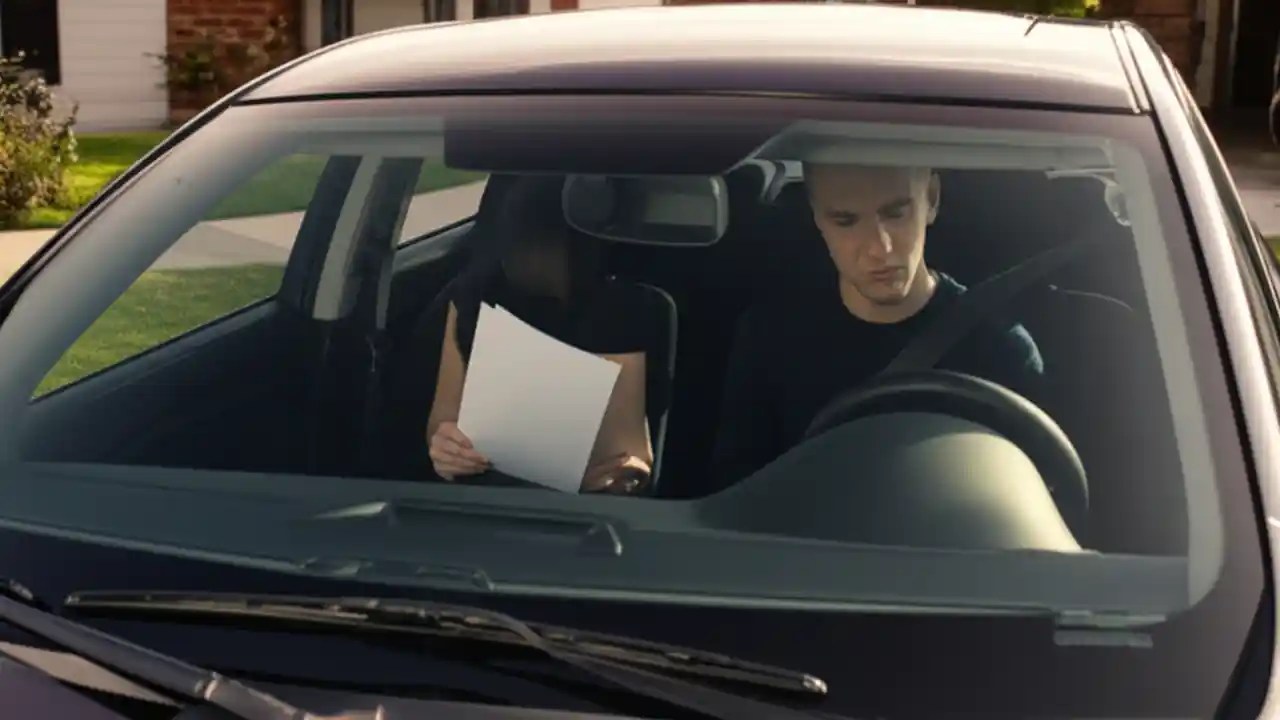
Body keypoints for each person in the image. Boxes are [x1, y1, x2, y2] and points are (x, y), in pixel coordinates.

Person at [711, 162, 1045, 486]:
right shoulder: (770, 338)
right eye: (846, 221)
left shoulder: (1001, 350)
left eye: (896, 213)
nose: (879, 248)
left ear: (931, 199)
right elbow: (734, 494)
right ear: (817, 218)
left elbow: (1037, 503)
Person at [426, 175, 657, 494]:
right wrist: (447, 450)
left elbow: (633, 460)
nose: (532, 256)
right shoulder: (473, 296)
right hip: (483, 495)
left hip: (582, 505)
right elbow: (442, 422)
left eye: (544, 244)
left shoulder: (619, 310)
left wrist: (618, 478)